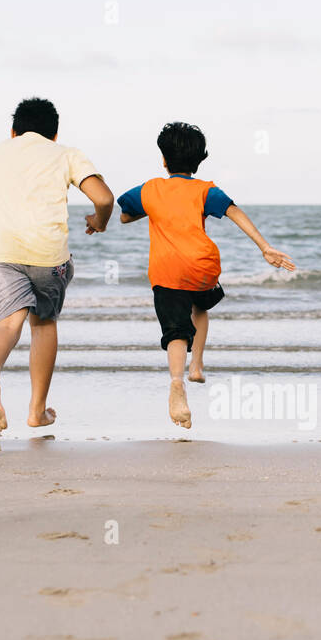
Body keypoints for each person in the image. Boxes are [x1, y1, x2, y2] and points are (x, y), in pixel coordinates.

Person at [118, 121, 294, 429]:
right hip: (202, 266)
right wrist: (265, 247)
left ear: (163, 159)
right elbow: (234, 211)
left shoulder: (150, 189)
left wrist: (143, 212)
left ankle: (177, 381)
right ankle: (196, 364)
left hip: (167, 270)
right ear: (199, 160)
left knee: (175, 329)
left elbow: (124, 213)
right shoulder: (205, 191)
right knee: (200, 306)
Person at [0, 97, 114, 432]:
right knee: (43, 324)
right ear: (54, 135)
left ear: (13, 131)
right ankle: (36, 411)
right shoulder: (65, 154)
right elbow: (103, 198)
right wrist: (99, 222)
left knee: (6, 325)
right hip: (48, 257)